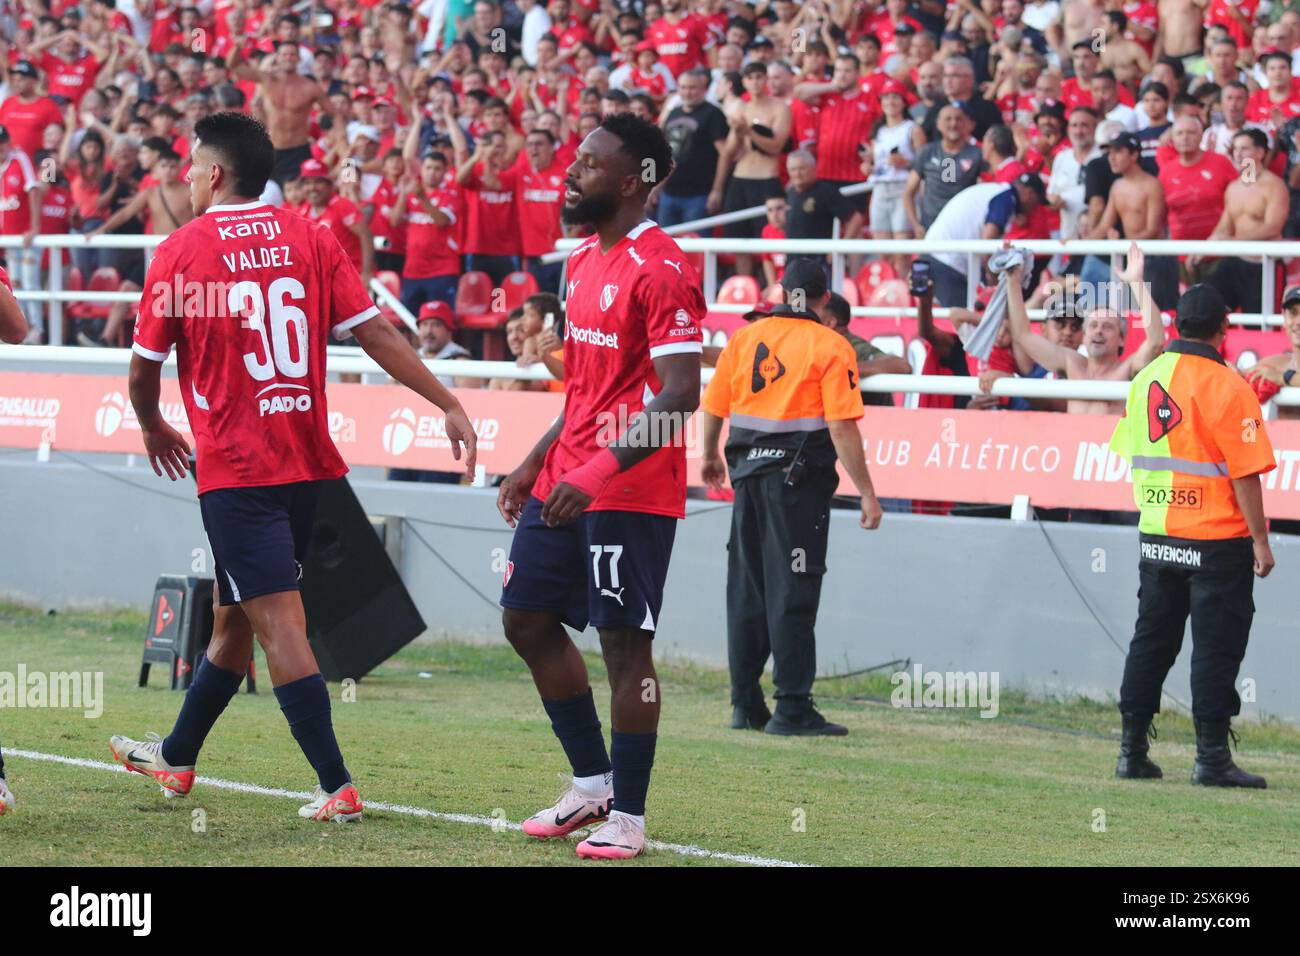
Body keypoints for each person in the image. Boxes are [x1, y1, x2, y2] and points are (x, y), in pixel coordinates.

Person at [108, 111, 477, 823]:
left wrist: (153, 426)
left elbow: (141, 371)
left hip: (240, 471)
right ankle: (178, 757)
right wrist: (447, 400)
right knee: (233, 621)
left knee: (278, 621)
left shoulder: (180, 251)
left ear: (215, 174)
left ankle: (336, 787)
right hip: (307, 464)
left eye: (190, 168)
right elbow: (373, 331)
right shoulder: (309, 235)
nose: (184, 179)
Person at [494, 114, 704, 861]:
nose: (571, 171)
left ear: (631, 179)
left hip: (628, 487)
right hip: (568, 474)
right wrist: (533, 461)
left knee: (624, 648)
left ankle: (632, 818)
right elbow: (583, 391)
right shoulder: (580, 261)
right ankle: (592, 784)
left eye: (588, 163)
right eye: (575, 159)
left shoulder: (664, 266)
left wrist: (596, 471)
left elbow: (680, 395)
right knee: (524, 618)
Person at [698, 259, 882, 736]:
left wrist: (708, 456)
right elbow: (841, 427)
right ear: (824, 299)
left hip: (746, 480)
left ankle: (744, 704)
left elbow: (714, 404)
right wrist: (867, 493)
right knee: (793, 590)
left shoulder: (744, 338)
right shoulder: (830, 344)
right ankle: (793, 707)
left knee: (747, 588)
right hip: (797, 487)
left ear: (783, 291)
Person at [1108, 284, 1276, 789]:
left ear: (1178, 324)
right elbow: (1245, 474)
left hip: (1157, 535)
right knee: (1215, 649)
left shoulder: (1145, 379)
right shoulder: (1230, 386)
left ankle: (1131, 752)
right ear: (1224, 331)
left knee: (1151, 643)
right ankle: (1211, 760)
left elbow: (1130, 451)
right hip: (1217, 541)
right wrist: (1261, 542)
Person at [1006, 241, 1165, 415]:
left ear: (1121, 339)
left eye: (1108, 327)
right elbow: (1023, 335)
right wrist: (1013, 281)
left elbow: (1156, 341)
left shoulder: (1128, 369)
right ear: (1084, 335)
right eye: (1093, 325)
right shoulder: (1071, 363)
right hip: (1073, 442)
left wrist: (1136, 282)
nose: (1098, 331)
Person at [1193, 128, 1289, 314]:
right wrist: (1202, 250)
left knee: (1260, 323)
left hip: (1263, 265)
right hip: (1236, 261)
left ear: (1260, 152)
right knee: (1204, 304)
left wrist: (1233, 242)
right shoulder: (1233, 188)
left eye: (1244, 148)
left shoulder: (1274, 186)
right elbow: (1224, 226)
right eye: (1235, 148)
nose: (1237, 153)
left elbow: (1272, 227)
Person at [923, 173, 1047, 307]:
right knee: (966, 323)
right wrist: (992, 278)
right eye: (1037, 202)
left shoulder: (997, 192)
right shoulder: (1005, 198)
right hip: (946, 259)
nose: (1035, 208)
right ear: (1030, 194)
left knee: (966, 317)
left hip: (940, 254)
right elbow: (987, 241)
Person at [228, 40, 329, 186]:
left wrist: (341, 139)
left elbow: (335, 114)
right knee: (269, 198)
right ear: (278, 58)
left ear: (299, 59)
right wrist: (238, 44)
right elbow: (234, 65)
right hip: (271, 151)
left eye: (292, 54)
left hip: (298, 151)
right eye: (284, 54)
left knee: (297, 198)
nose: (288, 57)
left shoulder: (310, 87)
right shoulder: (267, 79)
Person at [657, 68, 729, 227]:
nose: (687, 92)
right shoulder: (673, 112)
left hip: (699, 194)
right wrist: (653, 188)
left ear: (704, 90)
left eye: (692, 88)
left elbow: (725, 154)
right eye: (683, 87)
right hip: (669, 193)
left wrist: (717, 190)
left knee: (696, 246)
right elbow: (661, 153)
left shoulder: (713, 114)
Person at [905, 103, 985, 235]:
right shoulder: (927, 152)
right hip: (931, 228)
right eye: (948, 119)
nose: (953, 124)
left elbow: (983, 193)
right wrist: (915, 225)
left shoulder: (978, 154)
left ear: (966, 123)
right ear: (938, 124)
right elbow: (908, 193)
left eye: (958, 119)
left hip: (964, 229)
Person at [1243, 284, 1300, 421]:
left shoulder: (1279, 372)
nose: (1298, 322)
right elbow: (1240, 375)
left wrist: (1283, 378)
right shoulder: (1277, 364)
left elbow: (1280, 376)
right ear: (1284, 320)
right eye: (1293, 313)